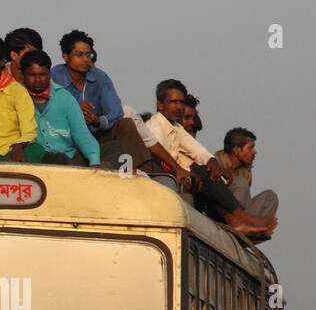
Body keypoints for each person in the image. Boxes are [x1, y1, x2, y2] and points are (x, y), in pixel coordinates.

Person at [149, 81, 277, 239]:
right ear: (160, 104)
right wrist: (184, 171)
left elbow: (199, 151)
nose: (178, 107)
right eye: (173, 102)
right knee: (202, 171)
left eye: (181, 102)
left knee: (208, 169)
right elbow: (159, 160)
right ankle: (241, 217)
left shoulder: (176, 128)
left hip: (184, 180)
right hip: (164, 181)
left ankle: (237, 219)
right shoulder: (154, 126)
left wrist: (214, 163)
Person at [20, 50, 100, 165]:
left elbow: (82, 134)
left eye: (42, 74)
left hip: (69, 156)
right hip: (34, 158)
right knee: (57, 159)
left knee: (113, 149)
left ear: (49, 74)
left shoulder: (64, 97)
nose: (38, 79)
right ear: (23, 75)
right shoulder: (15, 95)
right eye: (32, 75)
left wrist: (94, 161)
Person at [51, 30, 126, 136]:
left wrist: (97, 121)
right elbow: (47, 110)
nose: (85, 59)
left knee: (126, 124)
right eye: (79, 55)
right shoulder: (54, 76)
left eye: (88, 55)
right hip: (66, 136)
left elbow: (117, 112)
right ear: (65, 57)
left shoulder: (100, 77)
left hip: (96, 134)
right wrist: (74, 109)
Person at [216, 128, 279, 219]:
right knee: (240, 182)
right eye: (250, 148)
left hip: (243, 214)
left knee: (270, 196)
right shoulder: (216, 165)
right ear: (236, 150)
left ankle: (258, 230)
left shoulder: (245, 172)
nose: (254, 152)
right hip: (222, 214)